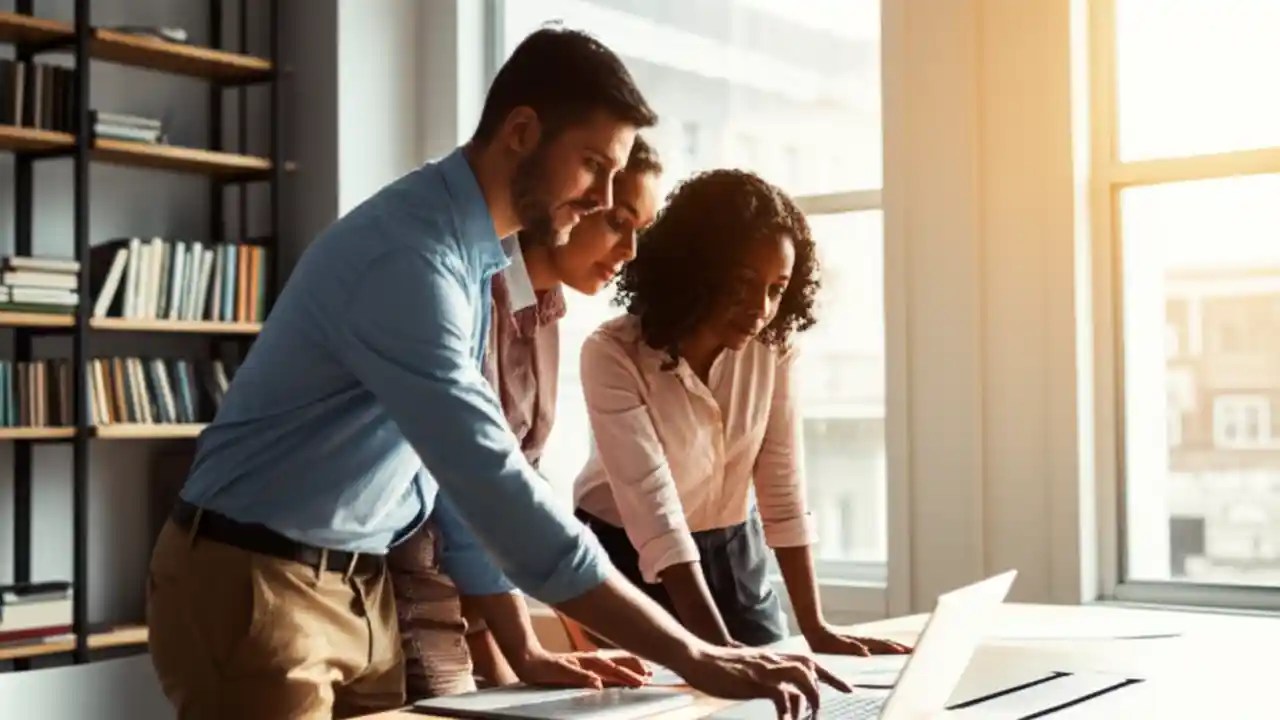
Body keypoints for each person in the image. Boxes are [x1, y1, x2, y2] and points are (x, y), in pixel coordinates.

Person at [146, 26, 845, 720]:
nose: (604, 198)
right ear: (520, 131)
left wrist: (526, 648)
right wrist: (697, 655)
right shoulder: (411, 260)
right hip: (258, 578)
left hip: (358, 587)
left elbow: (452, 483)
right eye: (594, 166)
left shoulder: (472, 258)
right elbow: (496, 485)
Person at [573, 169, 914, 654]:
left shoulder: (773, 350)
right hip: (626, 549)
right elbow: (656, 515)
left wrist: (815, 630)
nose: (761, 307)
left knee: (775, 679)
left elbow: (781, 486)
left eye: (777, 288)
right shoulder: (612, 353)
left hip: (733, 542)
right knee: (680, 694)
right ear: (698, 269)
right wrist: (720, 654)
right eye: (742, 284)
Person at [388, 136, 664, 699]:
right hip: (418, 586)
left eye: (643, 230)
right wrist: (518, 653)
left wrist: (573, 625)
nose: (631, 249)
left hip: (481, 597)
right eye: (617, 221)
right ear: (576, 204)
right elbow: (471, 491)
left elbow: (527, 484)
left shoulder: (547, 311)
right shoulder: (473, 295)